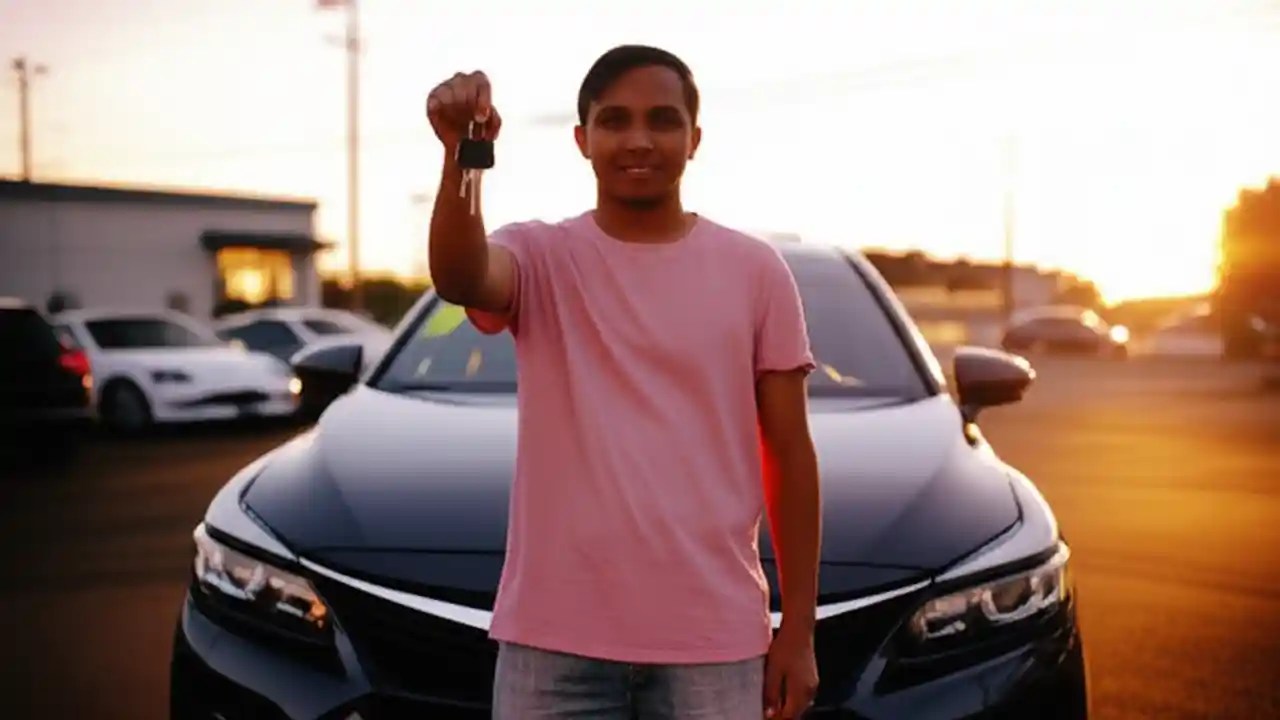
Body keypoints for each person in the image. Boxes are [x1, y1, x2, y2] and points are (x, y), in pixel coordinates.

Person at [425, 44, 823, 719]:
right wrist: (464, 155)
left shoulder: (756, 270)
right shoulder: (538, 255)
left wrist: (800, 632)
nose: (639, 140)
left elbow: (788, 454)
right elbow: (461, 277)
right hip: (552, 644)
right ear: (583, 139)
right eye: (615, 120)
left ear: (694, 139)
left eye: (663, 120)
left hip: (713, 643)